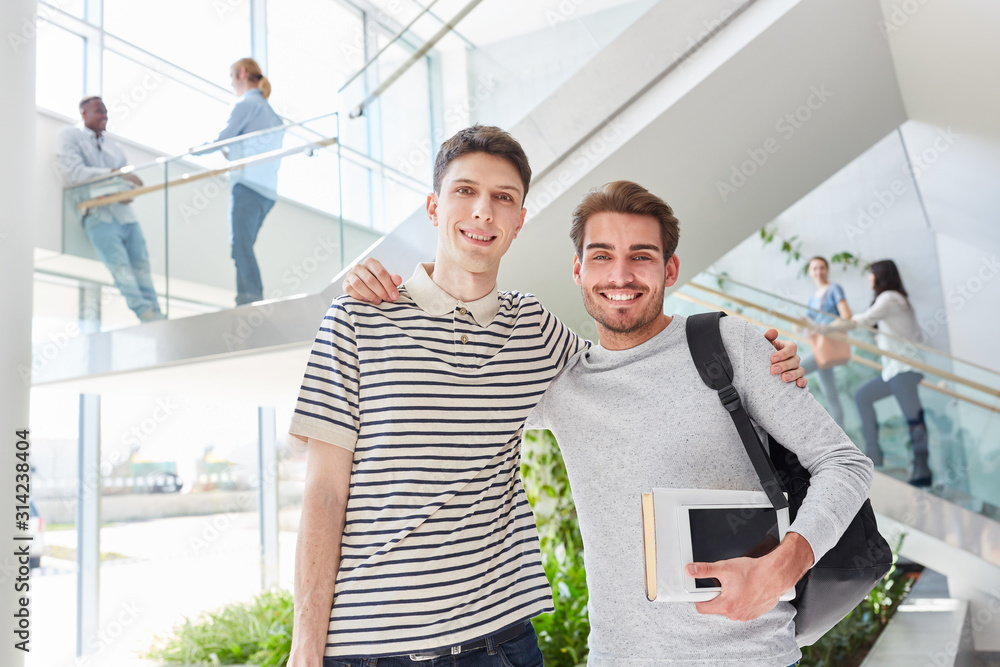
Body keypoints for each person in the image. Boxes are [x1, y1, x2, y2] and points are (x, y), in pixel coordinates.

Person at [288, 126, 806, 667]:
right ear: (433, 207)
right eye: (465, 191)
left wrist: (763, 364)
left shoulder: (532, 328)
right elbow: (324, 494)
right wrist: (306, 645)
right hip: (371, 647)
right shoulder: (357, 318)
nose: (483, 211)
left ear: (519, 220)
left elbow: (627, 364)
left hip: (501, 640)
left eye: (503, 198)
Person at [523, 181, 873, 666]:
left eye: (641, 256)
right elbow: (445, 384)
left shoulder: (728, 345)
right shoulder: (562, 385)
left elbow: (844, 463)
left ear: (670, 269)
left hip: (752, 657)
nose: (620, 274)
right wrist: (392, 290)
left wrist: (780, 570)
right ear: (579, 270)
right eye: (601, 256)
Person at [55, 96, 165, 322]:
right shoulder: (69, 136)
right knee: (120, 267)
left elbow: (120, 179)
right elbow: (74, 174)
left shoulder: (115, 148)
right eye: (98, 111)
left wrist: (124, 188)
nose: (104, 116)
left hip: (125, 216)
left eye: (106, 112)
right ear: (83, 113)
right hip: (98, 216)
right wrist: (114, 174)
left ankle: (156, 312)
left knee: (142, 265)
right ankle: (144, 312)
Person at [195, 57, 284, 305]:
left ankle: (249, 301)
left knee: (240, 247)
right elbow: (261, 151)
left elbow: (223, 139)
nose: (231, 82)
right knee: (244, 248)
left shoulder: (245, 105)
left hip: (247, 187)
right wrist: (235, 152)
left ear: (242, 73)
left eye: (231, 76)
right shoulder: (273, 116)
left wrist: (194, 150)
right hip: (268, 192)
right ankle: (250, 298)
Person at [849, 260, 930, 486]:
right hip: (895, 371)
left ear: (881, 275)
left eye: (871, 274)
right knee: (862, 396)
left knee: (914, 419)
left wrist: (844, 320)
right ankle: (873, 452)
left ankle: (922, 467)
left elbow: (864, 320)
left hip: (904, 370)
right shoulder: (896, 299)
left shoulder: (890, 297)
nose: (869, 279)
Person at [798, 255, 852, 426]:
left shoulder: (834, 289)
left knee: (797, 370)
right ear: (810, 272)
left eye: (822, 267)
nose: (818, 272)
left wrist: (828, 328)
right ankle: (842, 436)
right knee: (830, 394)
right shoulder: (813, 298)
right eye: (815, 268)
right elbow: (810, 323)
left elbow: (847, 317)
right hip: (821, 347)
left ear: (827, 270)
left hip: (829, 345)